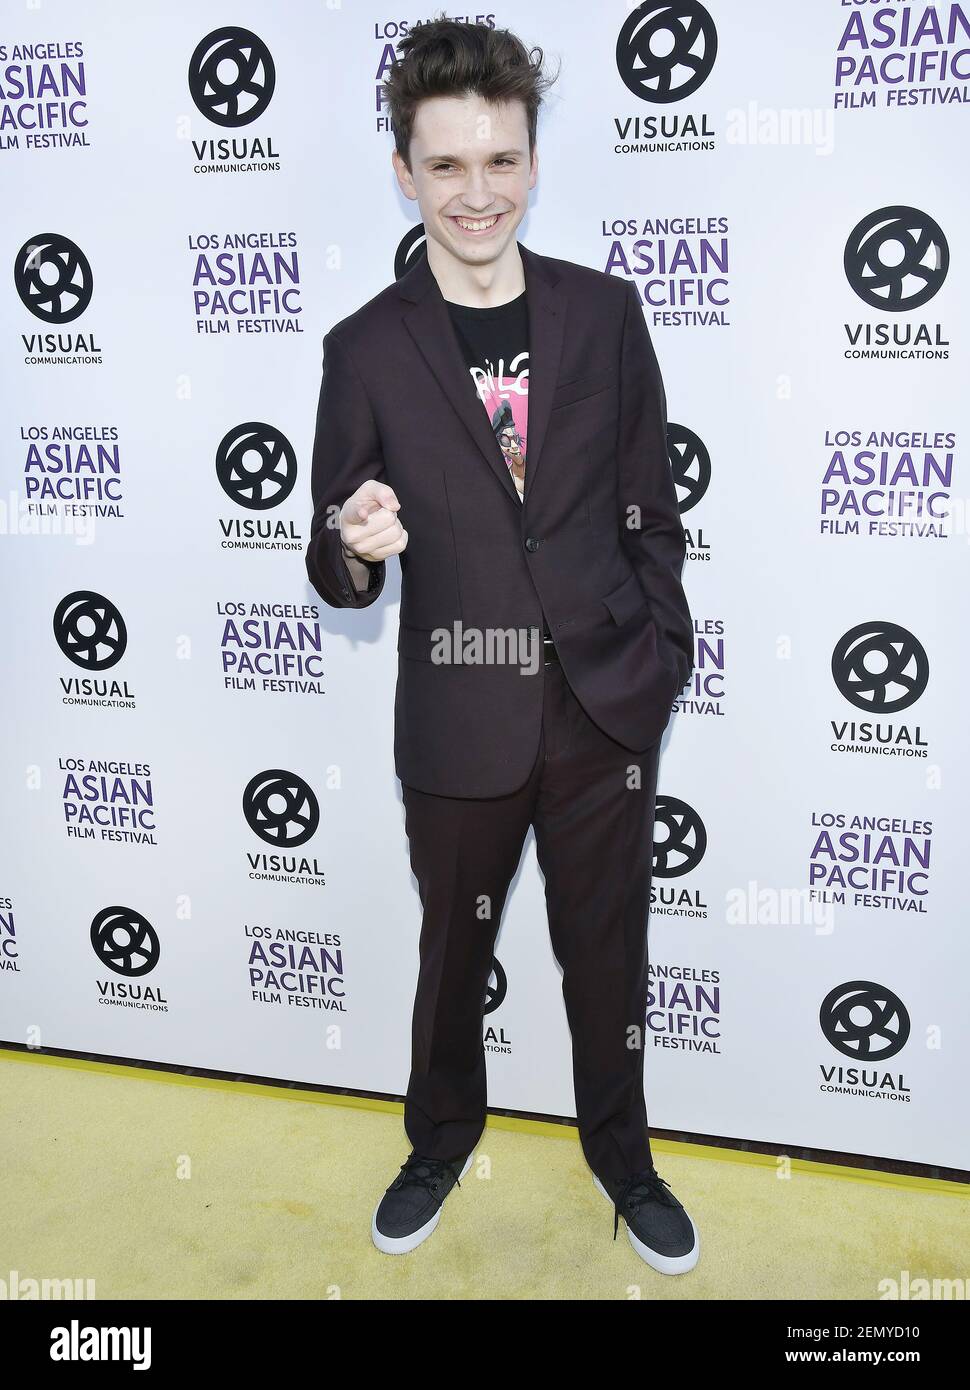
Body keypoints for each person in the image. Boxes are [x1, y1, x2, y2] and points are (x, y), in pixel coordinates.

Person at [305, 14, 698, 1275]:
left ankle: (624, 1163)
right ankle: (438, 1141)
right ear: (403, 170)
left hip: (600, 712)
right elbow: (334, 552)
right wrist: (354, 540)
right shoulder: (365, 348)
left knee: (608, 958)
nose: (478, 194)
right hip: (458, 719)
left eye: (502, 161)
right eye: (448, 166)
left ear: (532, 158)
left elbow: (653, 512)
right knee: (450, 955)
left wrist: (657, 663)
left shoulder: (604, 315)